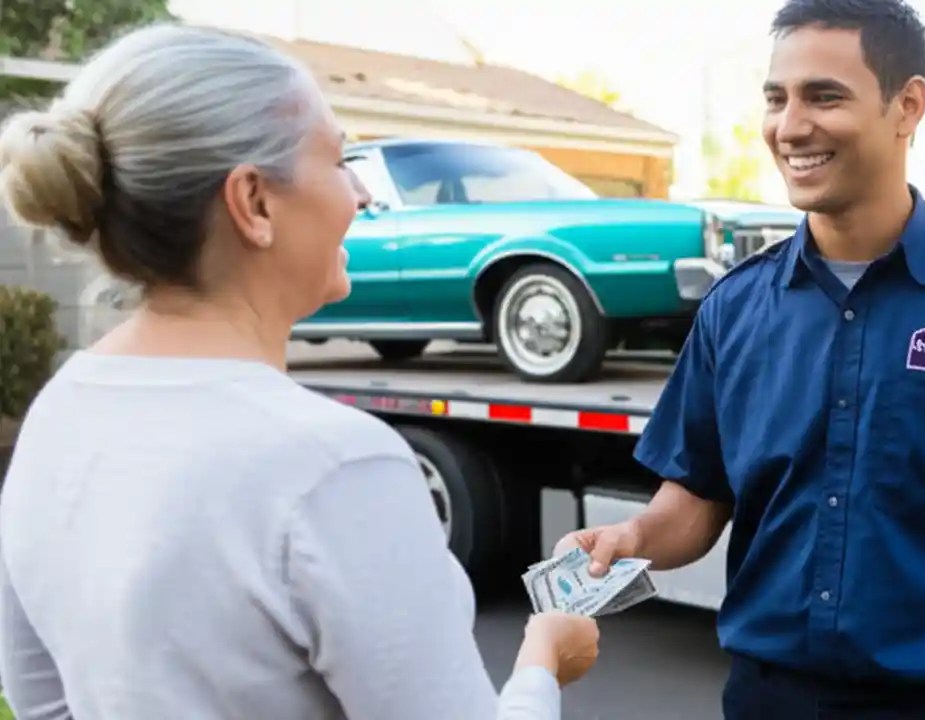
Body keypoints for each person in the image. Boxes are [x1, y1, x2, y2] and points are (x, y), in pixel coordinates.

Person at [0, 22, 598, 720]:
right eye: (340, 161)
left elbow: (42, 705)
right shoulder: (334, 464)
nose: (361, 197)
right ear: (254, 202)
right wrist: (543, 662)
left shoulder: (60, 411)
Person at [556, 1, 925, 718]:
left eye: (824, 96)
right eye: (777, 98)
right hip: (769, 701)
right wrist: (635, 536)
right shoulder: (734, 309)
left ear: (908, 106)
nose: (791, 127)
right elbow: (700, 497)